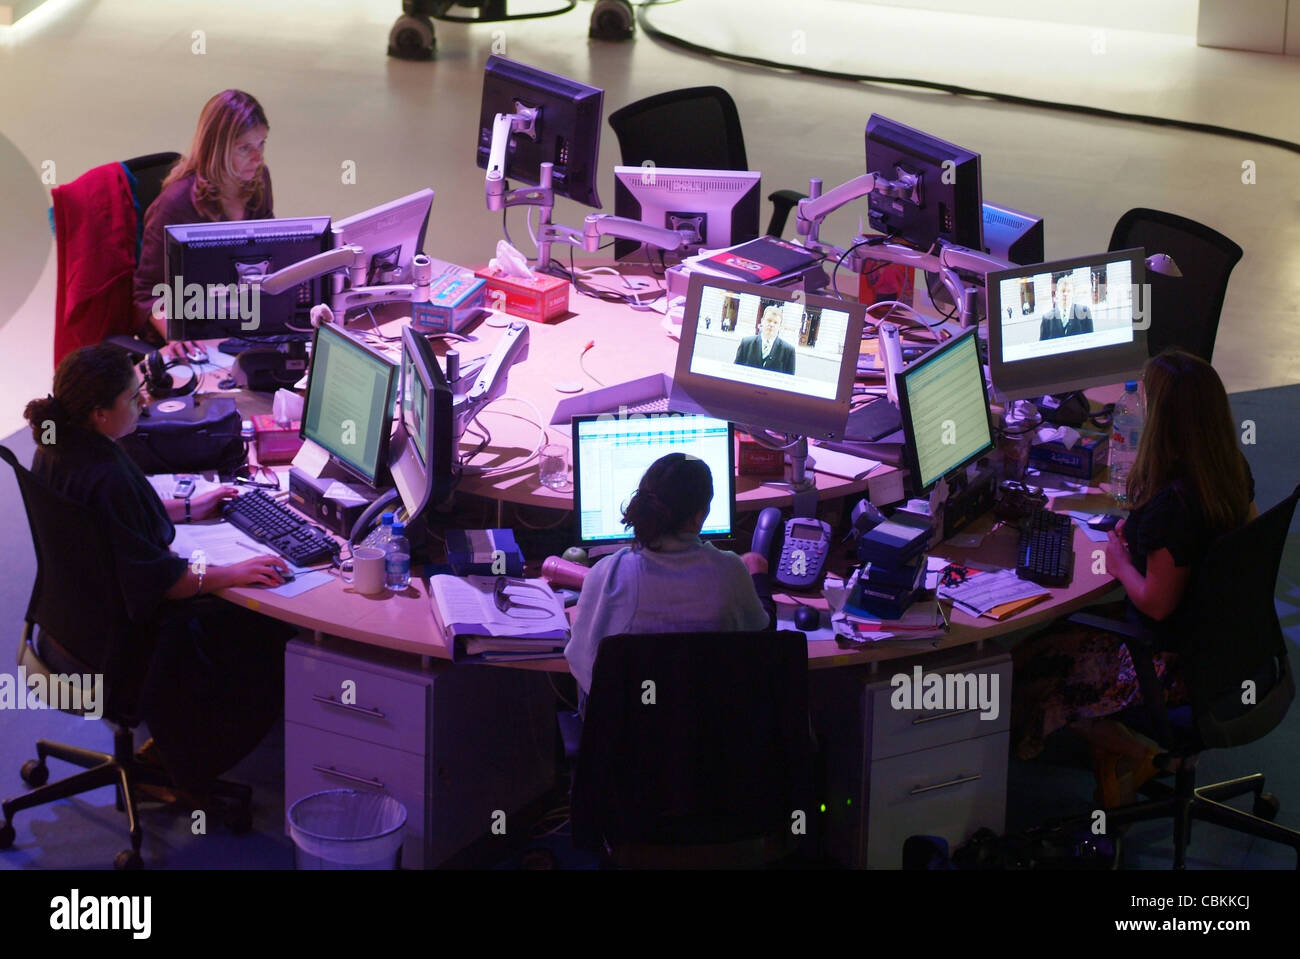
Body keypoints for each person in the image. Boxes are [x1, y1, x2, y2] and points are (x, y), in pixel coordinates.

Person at [24, 343, 295, 800]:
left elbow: (104, 522)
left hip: (63, 631)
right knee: (266, 629)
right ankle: (179, 769)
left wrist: (189, 505)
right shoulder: (107, 473)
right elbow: (167, 583)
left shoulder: (56, 446)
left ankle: (171, 753)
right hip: (118, 653)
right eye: (133, 397)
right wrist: (235, 571)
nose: (144, 402)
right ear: (100, 414)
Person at [1012, 349, 1257, 806]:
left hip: (1168, 663)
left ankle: (1144, 755)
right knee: (1064, 629)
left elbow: (1156, 603)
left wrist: (1119, 558)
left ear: (1162, 421)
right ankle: (1126, 752)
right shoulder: (1230, 472)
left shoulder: (1172, 508)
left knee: (1027, 665)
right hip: (1231, 648)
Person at [564, 453, 775, 700]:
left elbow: (581, 663)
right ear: (699, 516)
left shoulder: (607, 572)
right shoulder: (730, 571)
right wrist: (758, 576)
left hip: (627, 730)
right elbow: (763, 637)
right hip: (712, 729)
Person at [133, 90, 273, 345]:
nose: (257, 157)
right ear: (216, 149)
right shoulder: (174, 206)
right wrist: (178, 338)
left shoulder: (259, 181)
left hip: (239, 318)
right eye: (244, 148)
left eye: (261, 143)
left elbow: (272, 252)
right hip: (189, 332)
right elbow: (148, 293)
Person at [733, 306, 796, 375]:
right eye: (769, 320)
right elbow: (735, 371)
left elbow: (789, 379)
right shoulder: (746, 343)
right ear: (762, 321)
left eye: (775, 322)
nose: (771, 324)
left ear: (780, 326)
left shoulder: (788, 351)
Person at [1038, 276, 1093, 340]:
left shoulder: (1084, 312)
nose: (1065, 294)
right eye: (1062, 291)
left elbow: (1091, 340)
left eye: (1068, 291)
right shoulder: (1046, 318)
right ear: (1056, 293)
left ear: (1073, 293)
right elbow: (1043, 344)